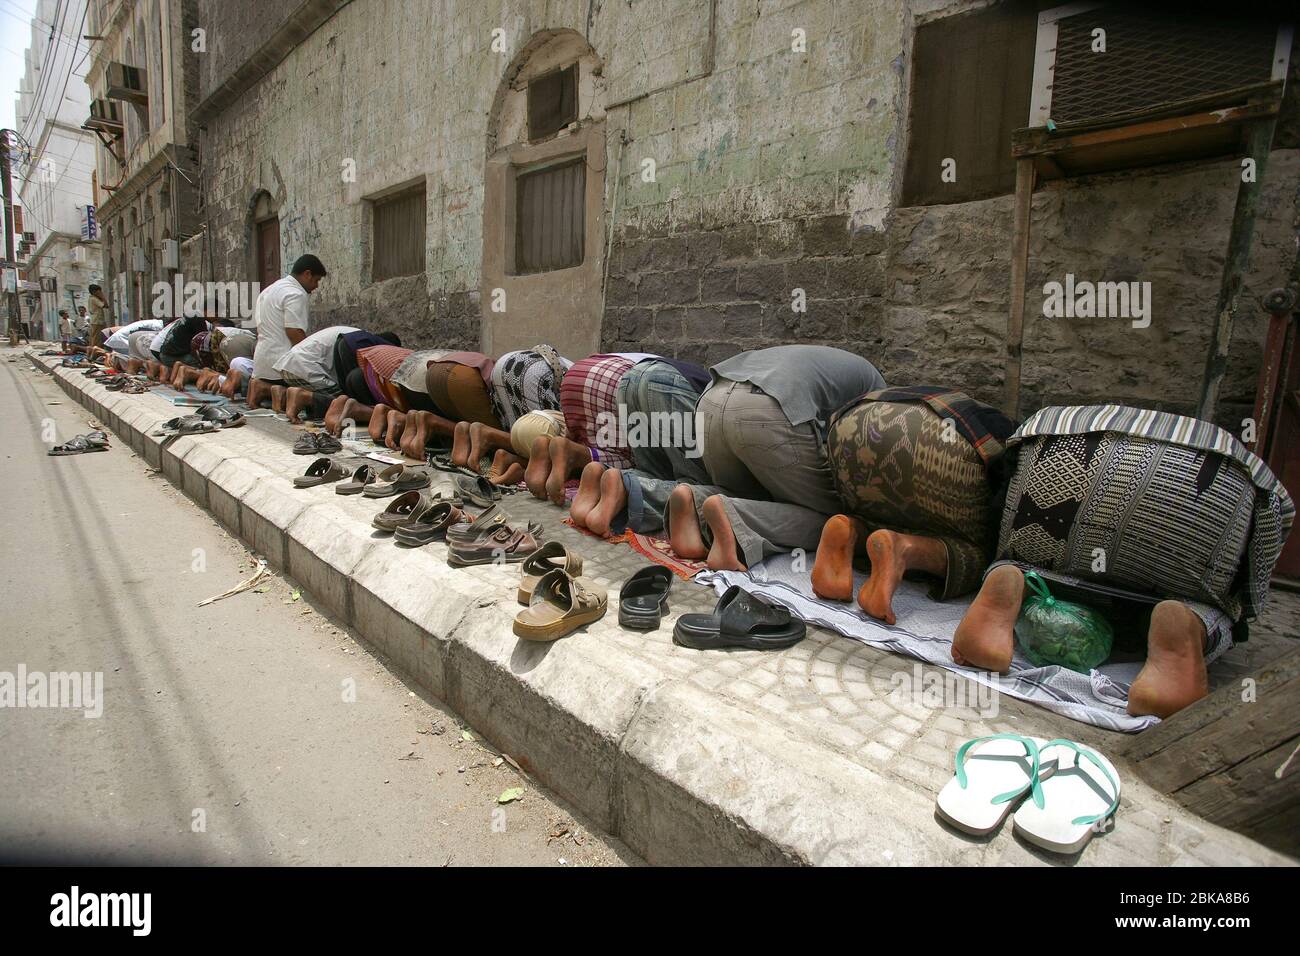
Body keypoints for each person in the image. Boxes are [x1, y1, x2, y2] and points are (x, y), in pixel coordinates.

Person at [950, 404, 1294, 719]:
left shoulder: (1057, 422)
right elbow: (1261, 555)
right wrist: (1242, 610)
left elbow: (1001, 495)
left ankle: (1012, 579)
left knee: (1027, 565)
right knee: (1206, 608)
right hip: (1201, 492)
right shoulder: (1242, 462)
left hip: (1062, 466)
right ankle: (1187, 624)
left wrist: (999, 555)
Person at [665, 345, 886, 571]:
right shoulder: (876, 387)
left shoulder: (829, 362)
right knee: (834, 519)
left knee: (752, 496)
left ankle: (694, 501)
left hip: (710, 401)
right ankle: (733, 518)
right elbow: (864, 445)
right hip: (768, 405)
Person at [810, 387, 1018, 625]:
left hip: (853, 423)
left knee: (877, 511)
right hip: (939, 440)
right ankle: (905, 548)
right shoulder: (1010, 433)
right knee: (980, 555)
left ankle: (851, 528)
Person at [567, 357, 714, 536]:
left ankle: (602, 481)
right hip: (670, 387)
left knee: (654, 474)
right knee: (699, 485)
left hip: (629, 380)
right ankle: (626, 486)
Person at [247, 254, 327, 410]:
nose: (316, 286)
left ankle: (262, 387)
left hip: (261, 364)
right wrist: (311, 361)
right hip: (281, 367)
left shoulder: (268, 290)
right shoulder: (296, 293)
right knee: (321, 396)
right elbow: (294, 332)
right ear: (307, 274)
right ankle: (271, 390)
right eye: (316, 280)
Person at [273, 325, 360, 421]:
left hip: (292, 364)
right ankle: (304, 396)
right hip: (306, 366)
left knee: (333, 403)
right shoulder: (366, 342)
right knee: (342, 405)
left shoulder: (359, 336)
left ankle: (287, 395)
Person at [86, 285, 108, 357]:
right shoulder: (94, 299)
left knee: (96, 339)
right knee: (97, 340)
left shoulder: (92, 299)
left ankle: (93, 354)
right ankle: (94, 355)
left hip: (96, 321)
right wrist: (102, 296)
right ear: (94, 292)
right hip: (97, 321)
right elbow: (105, 305)